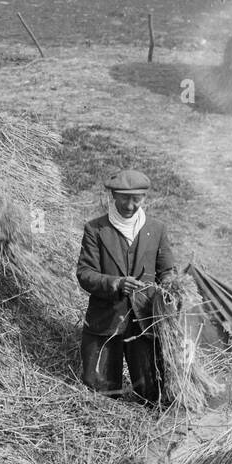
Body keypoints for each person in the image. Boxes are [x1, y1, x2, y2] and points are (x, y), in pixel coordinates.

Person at [76, 169, 176, 405]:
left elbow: (167, 271)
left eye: (136, 199)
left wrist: (170, 288)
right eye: (124, 198)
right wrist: (116, 283)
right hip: (106, 319)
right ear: (113, 196)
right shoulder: (96, 230)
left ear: (144, 198)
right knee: (100, 393)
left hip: (145, 322)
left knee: (152, 393)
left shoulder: (157, 229)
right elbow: (84, 273)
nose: (130, 205)